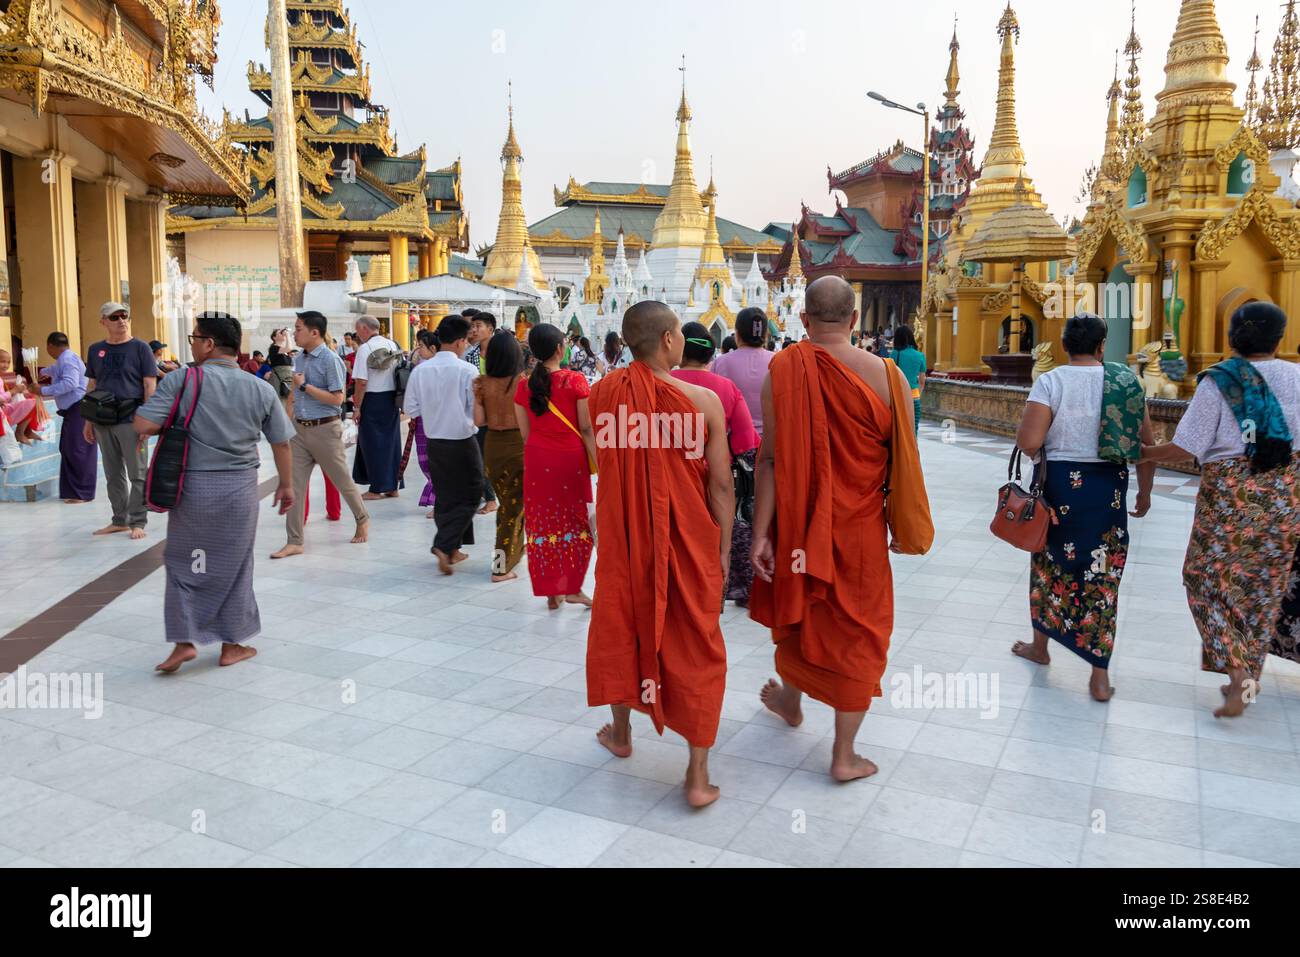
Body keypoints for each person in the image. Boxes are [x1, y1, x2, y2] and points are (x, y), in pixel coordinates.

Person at [749, 276, 918, 782]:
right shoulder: (889, 377)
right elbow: (903, 460)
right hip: (861, 529)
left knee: (802, 609)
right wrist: (901, 521)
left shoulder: (784, 368)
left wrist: (760, 532)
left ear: (803, 320)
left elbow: (770, 459)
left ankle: (792, 698)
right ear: (854, 321)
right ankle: (842, 753)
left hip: (798, 525)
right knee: (857, 630)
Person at [587, 301, 734, 807]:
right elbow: (720, 487)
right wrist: (723, 552)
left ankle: (622, 734)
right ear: (670, 340)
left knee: (623, 628)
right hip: (688, 544)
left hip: (626, 541)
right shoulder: (702, 402)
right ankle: (696, 776)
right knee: (696, 642)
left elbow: (603, 462)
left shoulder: (601, 397)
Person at [1143, 303, 1300, 718]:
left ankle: (1237, 673)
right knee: (1264, 587)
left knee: (1203, 579)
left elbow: (1186, 446)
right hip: (1287, 494)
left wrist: (1145, 454)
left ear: (1232, 338)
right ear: (1279, 338)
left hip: (1231, 497)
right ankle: (1249, 671)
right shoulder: (1298, 378)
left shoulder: (1220, 381)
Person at [136, 312, 295, 674]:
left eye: (194, 337)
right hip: (238, 490)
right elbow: (281, 443)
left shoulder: (181, 379)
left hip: (191, 489)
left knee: (185, 563)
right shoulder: (259, 387)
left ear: (208, 344)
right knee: (235, 566)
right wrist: (286, 485)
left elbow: (144, 423)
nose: (191, 343)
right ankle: (232, 645)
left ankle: (183, 642)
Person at [1013, 313, 1154, 702]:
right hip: (1108, 490)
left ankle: (1040, 648)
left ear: (1064, 346)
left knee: (1047, 563)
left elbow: (1028, 442)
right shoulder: (1127, 383)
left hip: (1061, 488)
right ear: (1101, 346)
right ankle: (1099, 676)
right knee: (1102, 574)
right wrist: (1145, 492)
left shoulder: (1051, 380)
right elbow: (1145, 443)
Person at [672, 321, 761, 607]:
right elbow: (746, 442)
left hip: (669, 480)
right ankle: (715, 591)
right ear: (711, 355)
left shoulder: (660, 383)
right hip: (713, 477)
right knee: (714, 539)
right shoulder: (725, 388)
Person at [271, 311, 370, 561]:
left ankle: (362, 518)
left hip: (325, 429)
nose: (294, 333)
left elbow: (337, 399)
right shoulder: (300, 359)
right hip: (299, 430)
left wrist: (306, 386)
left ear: (314, 332)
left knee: (342, 481)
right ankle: (294, 541)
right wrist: (288, 415)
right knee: (295, 485)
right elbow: (294, 389)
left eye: (298, 328)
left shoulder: (330, 359)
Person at [515, 324, 597, 609]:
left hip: (537, 459)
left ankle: (552, 591)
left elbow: (525, 434)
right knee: (575, 521)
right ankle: (572, 587)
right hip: (569, 459)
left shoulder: (524, 385)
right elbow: (586, 428)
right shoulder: (575, 381)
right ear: (561, 349)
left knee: (542, 523)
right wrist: (599, 462)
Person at [404, 315, 481, 575]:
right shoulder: (467, 371)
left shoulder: (420, 370)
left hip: (435, 440)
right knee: (472, 493)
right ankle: (443, 544)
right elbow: (474, 410)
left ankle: (453, 549)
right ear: (460, 342)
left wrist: (434, 410)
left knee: (447, 496)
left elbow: (411, 409)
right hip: (462, 440)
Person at [84, 302, 157, 540]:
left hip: (131, 418)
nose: (121, 320)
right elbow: (92, 385)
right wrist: (88, 420)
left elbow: (149, 385)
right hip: (103, 419)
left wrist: (148, 419)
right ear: (103, 321)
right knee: (113, 472)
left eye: (124, 315)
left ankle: (138, 520)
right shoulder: (96, 350)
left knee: (137, 471)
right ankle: (119, 519)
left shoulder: (140, 348)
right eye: (114, 317)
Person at [475, 332, 527, 583]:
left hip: (492, 446)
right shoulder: (522, 382)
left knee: (511, 504)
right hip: (518, 445)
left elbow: (478, 421)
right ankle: (500, 567)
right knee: (511, 508)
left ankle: (516, 551)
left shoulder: (481, 383)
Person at [34, 333, 95, 503]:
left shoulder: (67, 360)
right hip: (74, 410)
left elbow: (70, 383)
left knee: (78, 449)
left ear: (50, 346)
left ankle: (80, 493)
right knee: (70, 448)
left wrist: (43, 391)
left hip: (78, 409)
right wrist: (43, 372)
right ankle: (74, 491)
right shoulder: (66, 358)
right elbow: (55, 370)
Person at [351, 315, 403, 500]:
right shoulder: (393, 345)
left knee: (373, 444)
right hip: (391, 399)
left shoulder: (365, 348)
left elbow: (361, 382)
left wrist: (357, 406)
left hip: (372, 399)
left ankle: (376, 488)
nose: (357, 335)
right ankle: (393, 486)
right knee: (391, 442)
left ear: (365, 328)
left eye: (357, 331)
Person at [408, 329, 440, 517]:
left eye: (421, 346)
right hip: (423, 419)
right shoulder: (420, 367)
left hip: (435, 420)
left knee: (435, 461)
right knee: (425, 460)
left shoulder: (427, 370)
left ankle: (440, 502)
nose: (418, 349)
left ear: (433, 348)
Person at [0, 348, 48, 444]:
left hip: (5, 408)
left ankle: (28, 431)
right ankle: (19, 433)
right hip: (3, 414)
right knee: (31, 402)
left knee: (34, 398)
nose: (6, 365)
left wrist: (23, 390)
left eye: (8, 362)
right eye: (2, 362)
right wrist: (14, 391)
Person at [891, 325, 927, 436]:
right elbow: (922, 381)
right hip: (914, 397)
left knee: (897, 433)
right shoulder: (920, 355)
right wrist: (918, 394)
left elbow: (890, 376)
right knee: (913, 431)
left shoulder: (895, 354)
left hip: (898, 397)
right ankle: (914, 453)